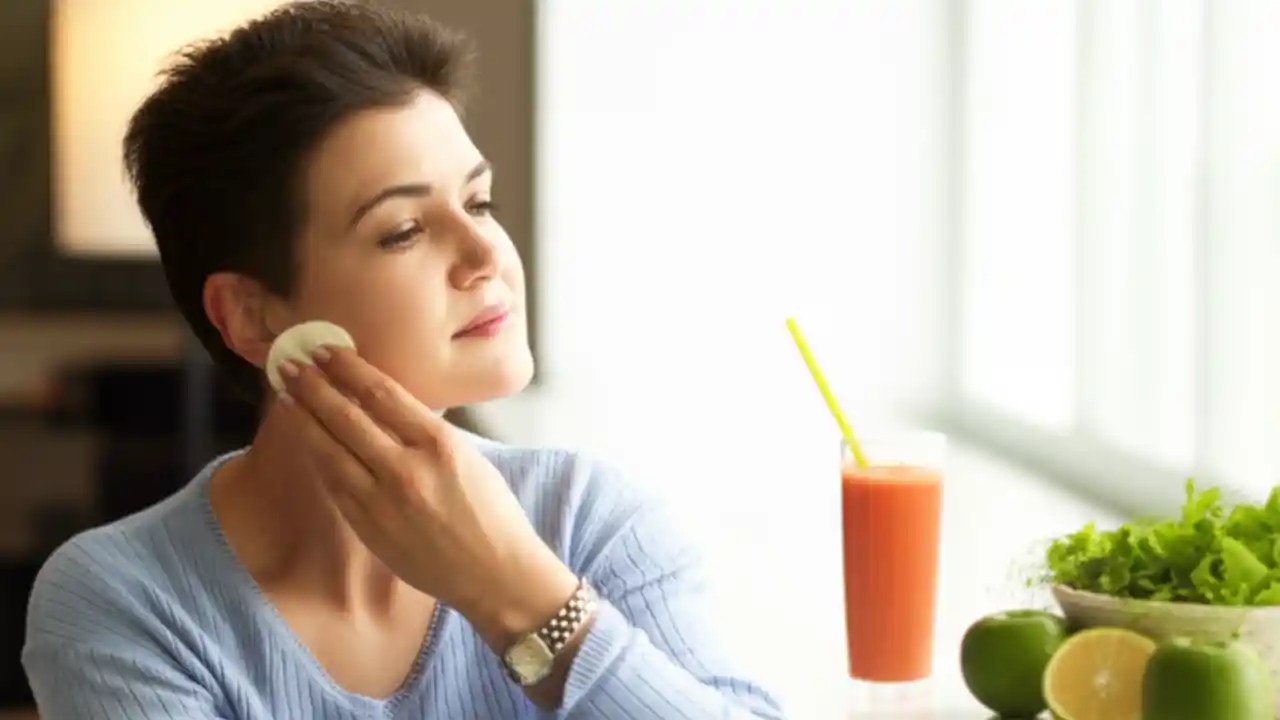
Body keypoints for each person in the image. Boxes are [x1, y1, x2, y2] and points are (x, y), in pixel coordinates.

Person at [21, 2, 784, 718]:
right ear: (252, 317)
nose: (486, 251)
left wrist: (522, 598)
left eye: (478, 203)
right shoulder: (122, 601)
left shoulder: (589, 521)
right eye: (404, 231)